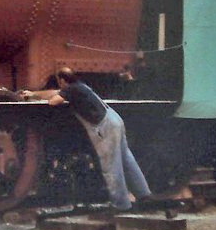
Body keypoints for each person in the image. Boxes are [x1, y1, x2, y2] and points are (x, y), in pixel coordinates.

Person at [22, 68, 151, 211]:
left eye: (60, 82)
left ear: (63, 81)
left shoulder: (71, 90)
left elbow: (54, 100)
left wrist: (46, 98)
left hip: (103, 126)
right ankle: (143, 194)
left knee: (111, 166)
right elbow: (56, 92)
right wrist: (33, 94)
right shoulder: (81, 86)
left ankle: (121, 205)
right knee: (127, 159)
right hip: (114, 119)